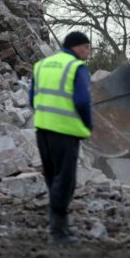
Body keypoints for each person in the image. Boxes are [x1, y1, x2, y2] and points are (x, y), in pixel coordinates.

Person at [30, 31, 93, 245]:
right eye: (86, 47)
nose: (88, 52)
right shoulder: (76, 67)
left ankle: (61, 228)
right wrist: (87, 124)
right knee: (65, 182)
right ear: (76, 47)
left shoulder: (42, 65)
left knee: (52, 179)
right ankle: (58, 233)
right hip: (65, 133)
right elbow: (83, 101)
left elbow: (32, 98)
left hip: (42, 130)